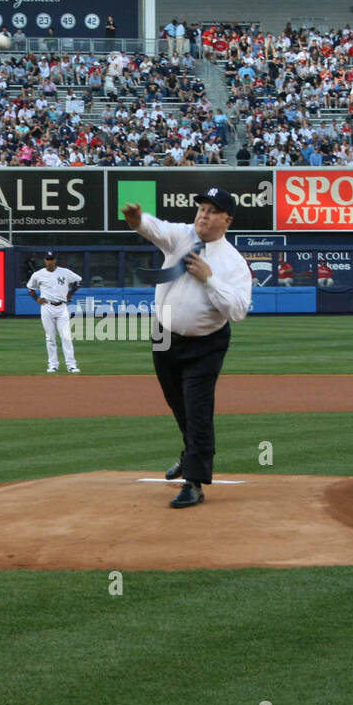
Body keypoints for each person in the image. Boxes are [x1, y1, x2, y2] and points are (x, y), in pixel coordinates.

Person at [122, 188, 252, 509]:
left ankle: (194, 482)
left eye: (211, 210)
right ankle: (190, 452)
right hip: (164, 336)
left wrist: (210, 279)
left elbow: (238, 310)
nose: (202, 215)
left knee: (197, 408)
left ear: (227, 219)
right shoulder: (182, 237)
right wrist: (138, 221)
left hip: (205, 344)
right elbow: (157, 228)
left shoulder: (233, 263)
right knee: (178, 404)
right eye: (201, 208)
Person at [26, 251, 81, 373]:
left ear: (55, 260)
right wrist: (36, 299)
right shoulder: (38, 274)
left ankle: (71, 365)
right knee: (50, 338)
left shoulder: (64, 272)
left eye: (51, 259)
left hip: (62, 308)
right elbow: (30, 288)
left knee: (66, 337)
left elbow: (78, 281)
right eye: (47, 259)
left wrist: (70, 293)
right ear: (45, 260)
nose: (49, 261)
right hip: (47, 307)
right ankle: (53, 365)